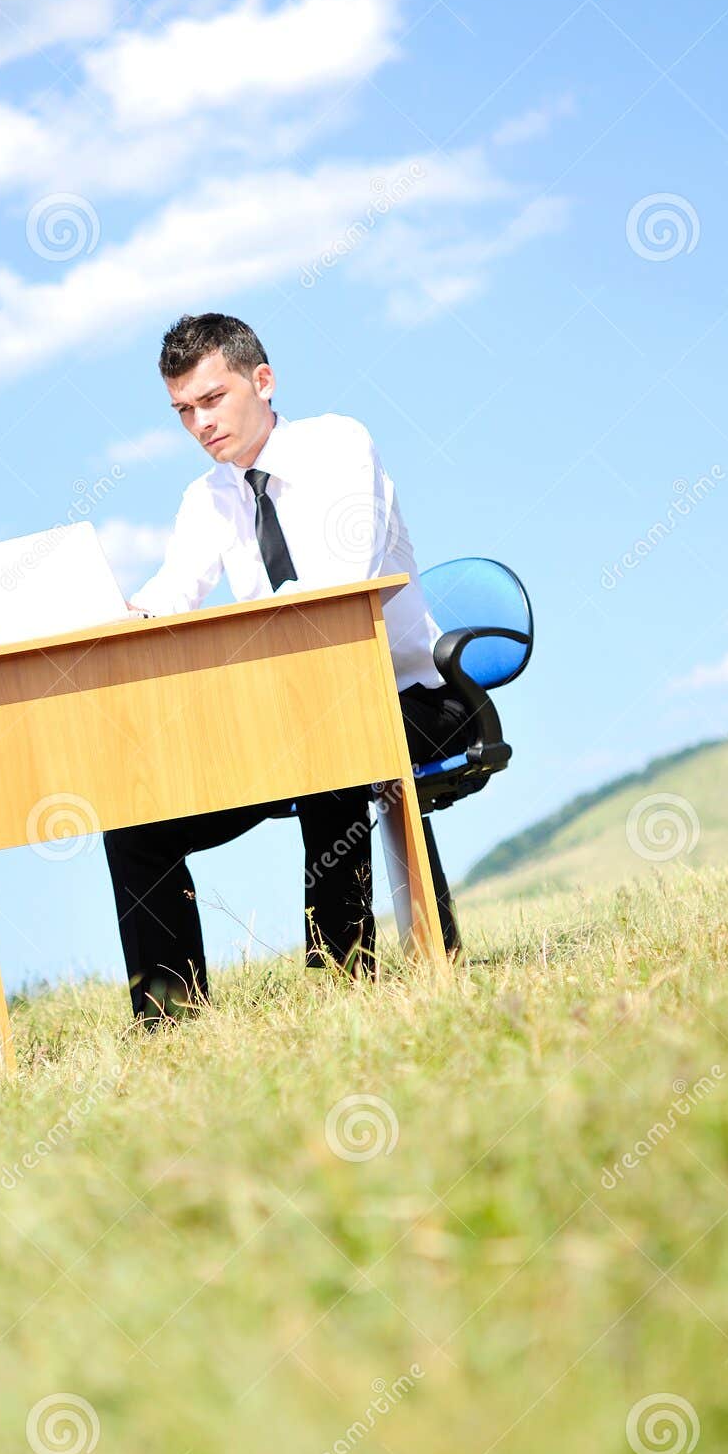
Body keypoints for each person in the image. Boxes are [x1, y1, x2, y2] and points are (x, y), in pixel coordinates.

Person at [103, 312, 470, 1029]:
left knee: (326, 736)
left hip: (411, 700)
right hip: (292, 718)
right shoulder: (205, 499)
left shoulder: (338, 445)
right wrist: (116, 614)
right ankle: (170, 1017)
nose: (199, 424)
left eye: (211, 400)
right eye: (183, 411)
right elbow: (168, 599)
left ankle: (344, 978)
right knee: (136, 824)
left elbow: (338, 587)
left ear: (261, 381)